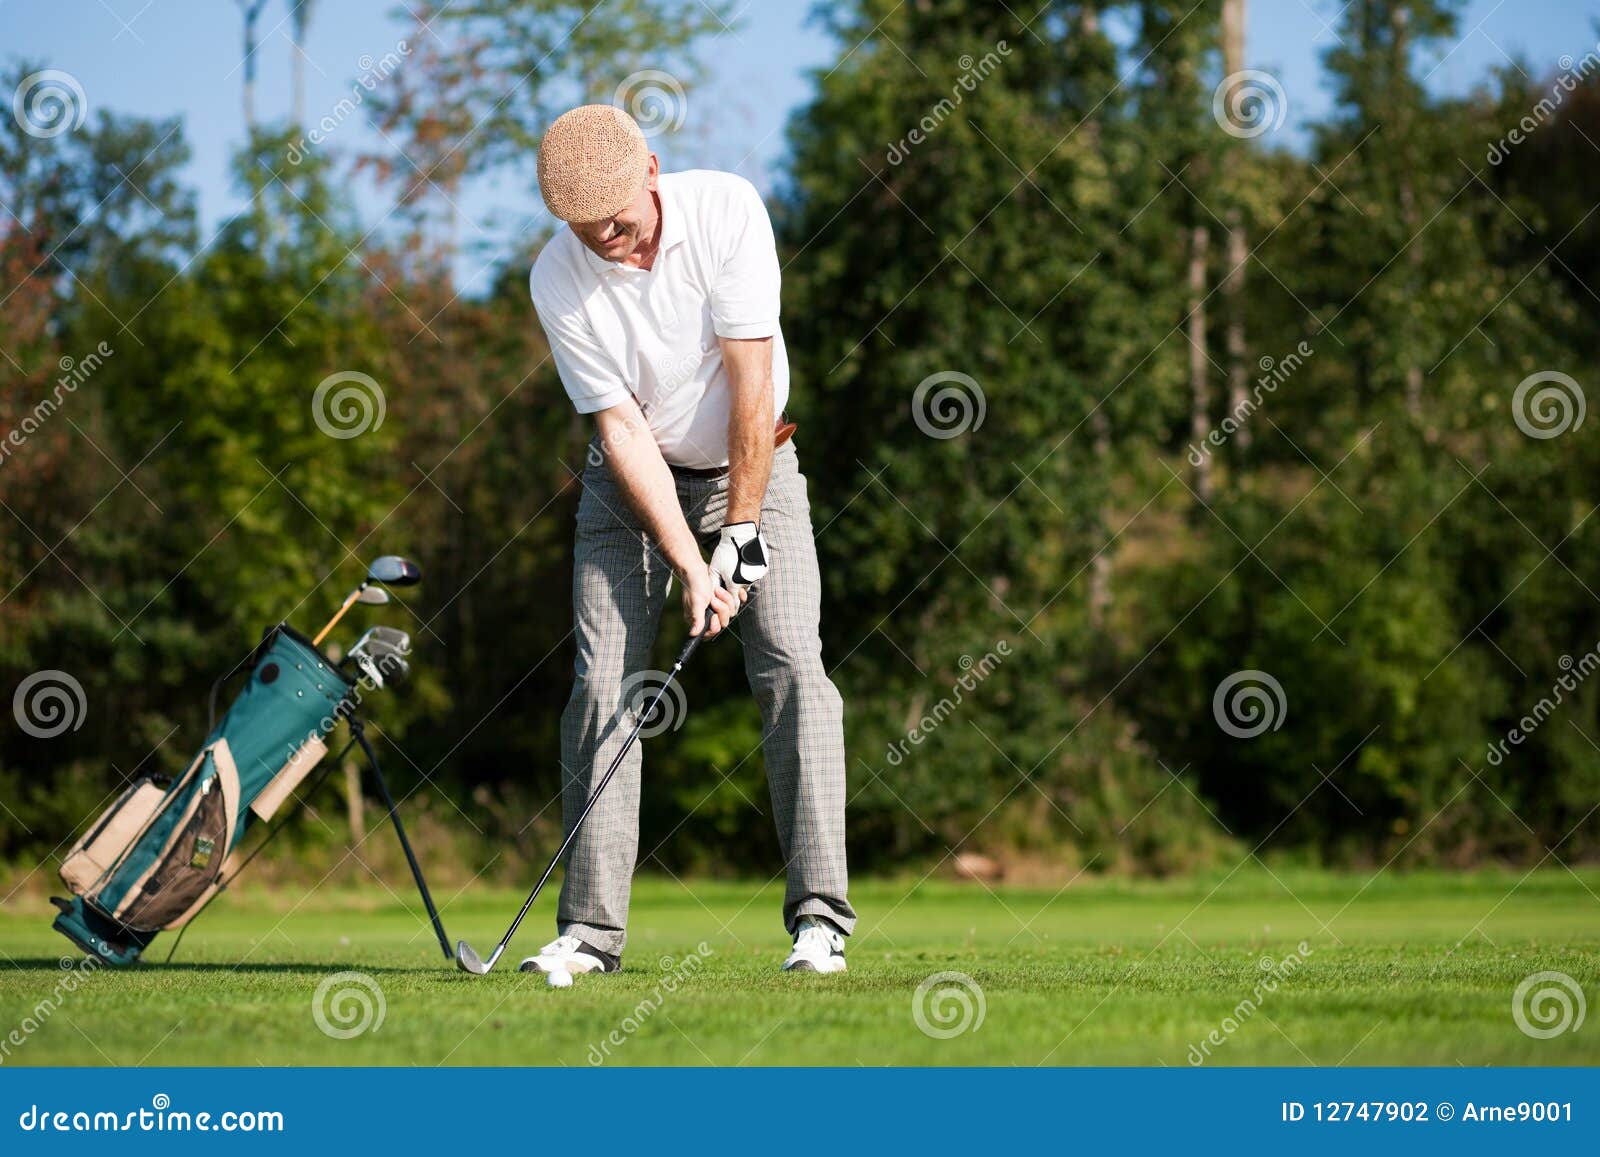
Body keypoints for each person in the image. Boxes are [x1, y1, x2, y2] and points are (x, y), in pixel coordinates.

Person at [522, 104, 855, 976]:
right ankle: (588, 935)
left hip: (758, 462)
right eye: (590, 234)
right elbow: (622, 433)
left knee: (791, 665)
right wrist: (686, 561)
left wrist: (739, 531)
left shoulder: (728, 211)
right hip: (632, 483)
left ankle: (820, 923)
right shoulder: (557, 277)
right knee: (602, 684)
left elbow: (751, 383)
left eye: (623, 224)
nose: (613, 245)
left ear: (653, 172)